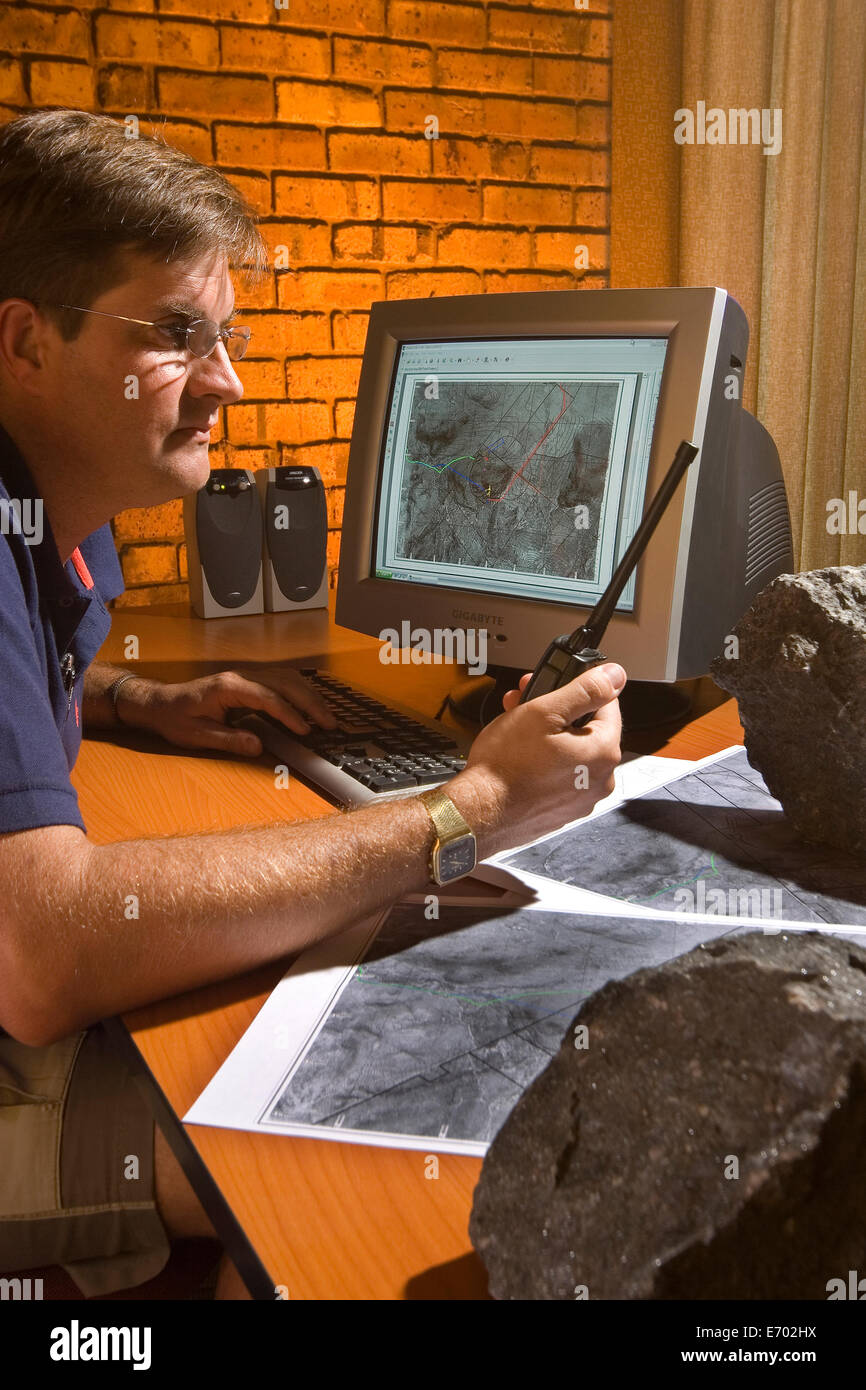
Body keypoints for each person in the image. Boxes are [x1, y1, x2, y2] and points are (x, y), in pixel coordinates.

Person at [0, 108, 625, 1300]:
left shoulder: (57, 512)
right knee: (369, 1144)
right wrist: (470, 807)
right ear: (26, 342)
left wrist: (137, 698)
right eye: (177, 335)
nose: (226, 382)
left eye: (223, 334)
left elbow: (33, 675)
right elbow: (42, 958)